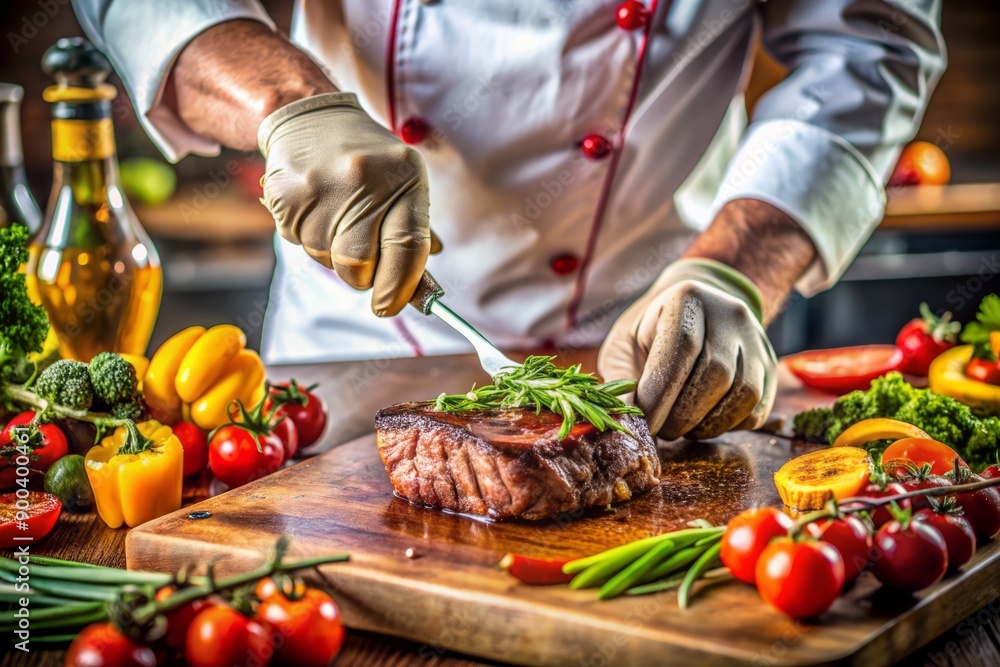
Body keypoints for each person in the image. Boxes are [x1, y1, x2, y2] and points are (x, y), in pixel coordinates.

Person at [73, 0, 944, 443]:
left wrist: (730, 268)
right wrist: (289, 108)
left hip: (650, 332)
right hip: (349, 344)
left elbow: (868, 43)